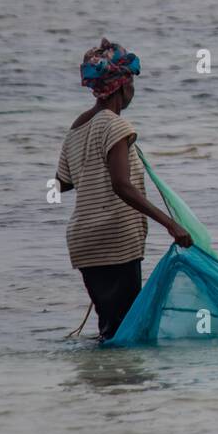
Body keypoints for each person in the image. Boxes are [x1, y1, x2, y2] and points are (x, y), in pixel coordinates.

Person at [56, 39, 191, 340]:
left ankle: (106, 380)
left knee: (111, 326)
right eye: (132, 83)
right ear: (121, 86)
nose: (133, 91)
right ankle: (124, 384)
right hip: (114, 239)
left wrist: (91, 168)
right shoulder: (116, 126)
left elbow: (63, 182)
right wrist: (171, 224)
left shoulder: (78, 126)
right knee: (125, 330)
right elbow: (121, 186)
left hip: (84, 242)